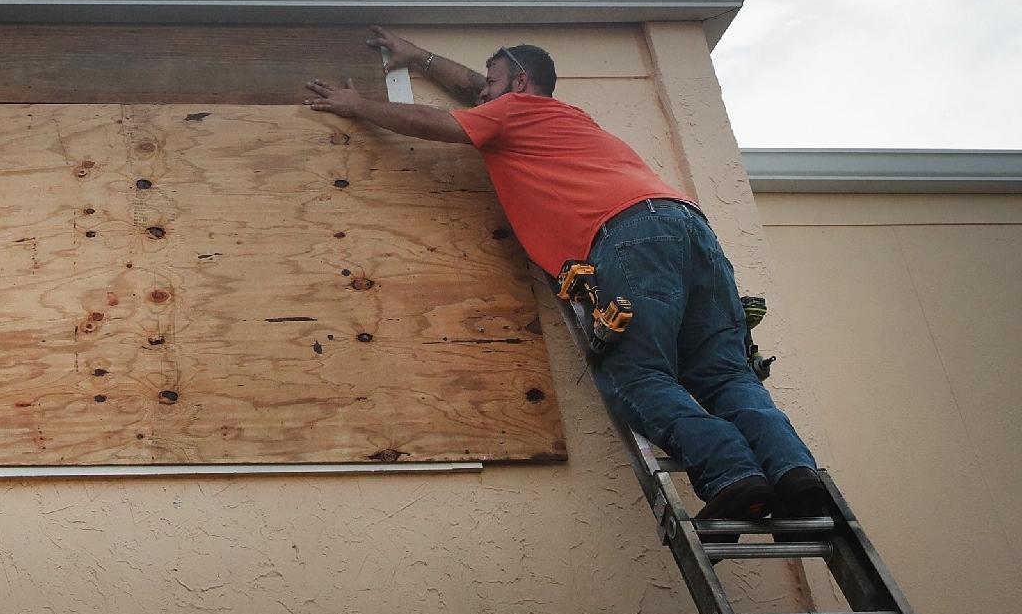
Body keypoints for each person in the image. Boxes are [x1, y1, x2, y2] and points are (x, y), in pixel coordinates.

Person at [303, 28, 827, 524]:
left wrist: (357, 107)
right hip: (691, 230)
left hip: (628, 234)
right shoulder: (561, 117)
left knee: (638, 374)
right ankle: (793, 471)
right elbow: (478, 88)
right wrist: (419, 58)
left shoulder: (512, 113)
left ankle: (731, 472)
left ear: (519, 84)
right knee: (725, 375)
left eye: (492, 82)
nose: (480, 92)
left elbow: (430, 122)